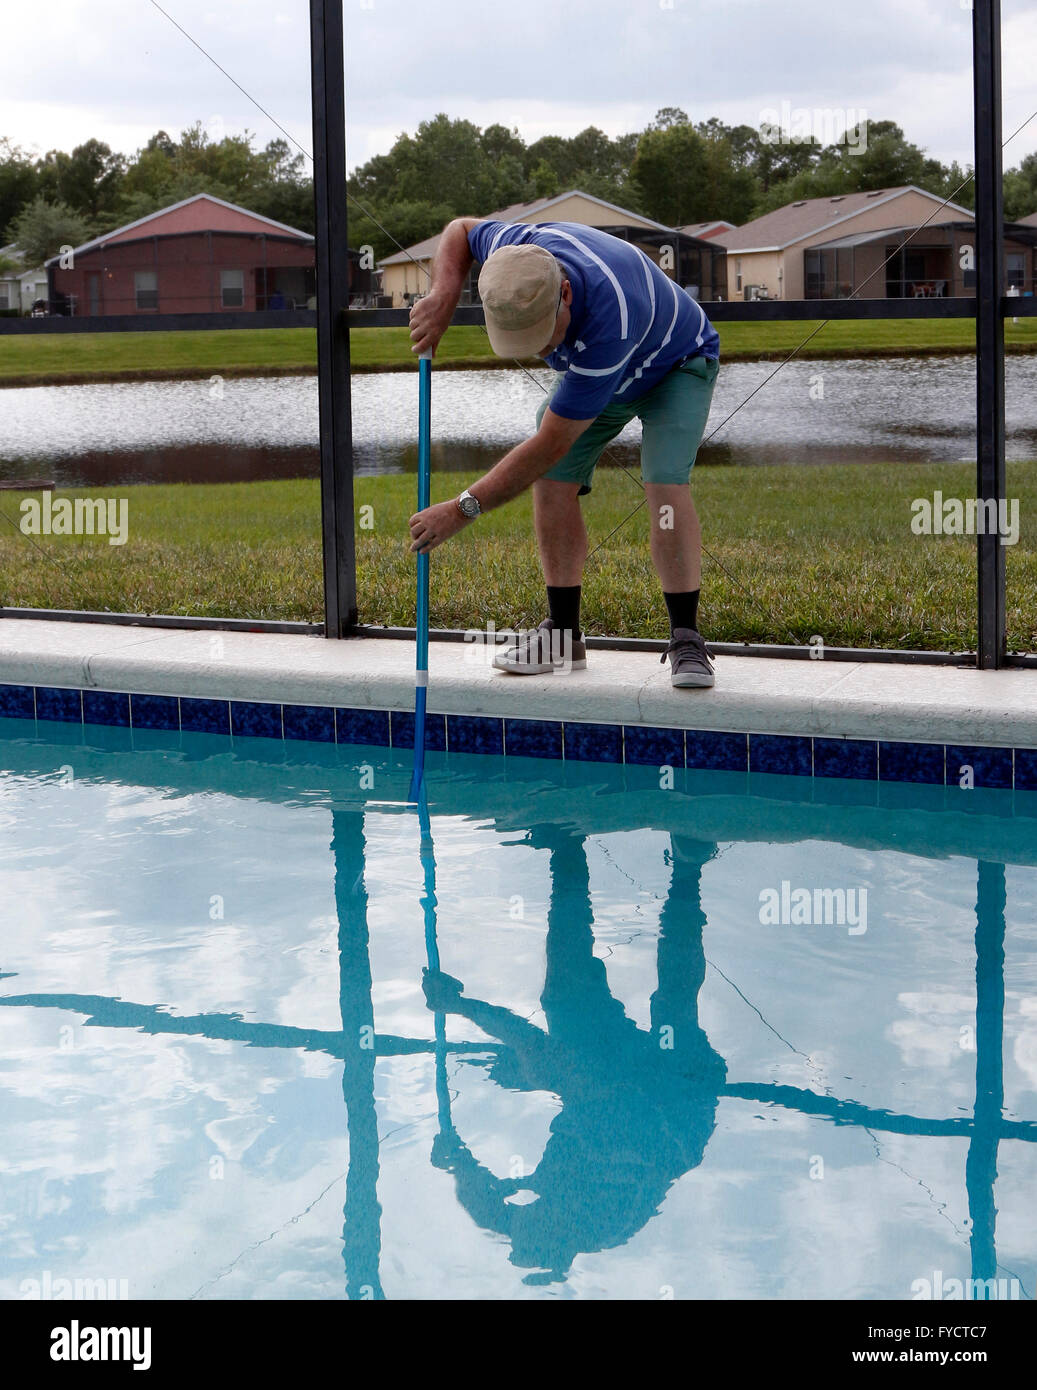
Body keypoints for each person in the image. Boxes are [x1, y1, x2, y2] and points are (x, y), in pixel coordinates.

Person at [408, 217, 721, 688]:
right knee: (553, 483)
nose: (539, 353)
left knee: (662, 485)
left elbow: (550, 446)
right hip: (603, 370)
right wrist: (444, 296)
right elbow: (458, 230)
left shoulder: (608, 320)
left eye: (543, 336)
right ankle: (564, 637)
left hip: (676, 363)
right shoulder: (516, 254)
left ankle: (686, 639)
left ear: (566, 295)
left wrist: (462, 509)